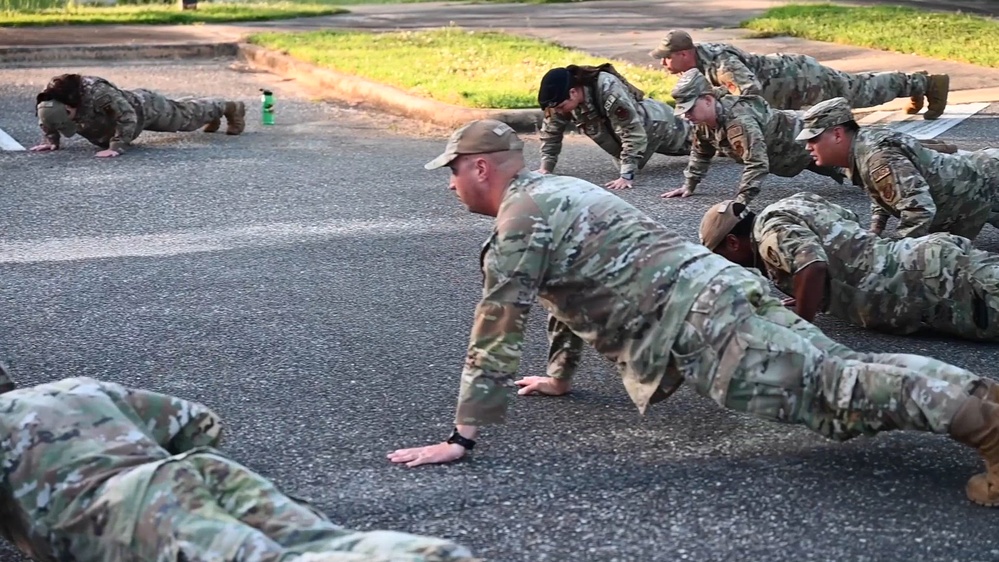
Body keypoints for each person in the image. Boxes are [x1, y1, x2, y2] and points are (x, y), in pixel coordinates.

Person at [387, 118, 999, 507]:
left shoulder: (518, 225)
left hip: (704, 326)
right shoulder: (560, 191)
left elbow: (496, 327)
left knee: (833, 394)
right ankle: (981, 399)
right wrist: (559, 376)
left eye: (452, 171)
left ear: (481, 167)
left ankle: (985, 424)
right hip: (726, 291)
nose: (449, 184)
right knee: (841, 370)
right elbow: (563, 294)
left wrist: (461, 438)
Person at [0, 363, 479, 562]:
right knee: (322, 541)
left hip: (129, 516)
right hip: (200, 471)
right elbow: (200, 423)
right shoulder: (74, 388)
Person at [698, 191, 999, 341]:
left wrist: (801, 324)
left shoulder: (768, 235)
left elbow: (812, 266)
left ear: (733, 242)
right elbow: (846, 225)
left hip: (933, 284)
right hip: (929, 260)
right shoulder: (791, 204)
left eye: (719, 254)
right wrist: (809, 293)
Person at [796, 96, 999, 240]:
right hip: (975, 195)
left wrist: (897, 254)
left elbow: (919, 210)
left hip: (989, 183)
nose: (808, 147)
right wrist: (875, 230)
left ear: (837, 134)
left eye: (813, 139)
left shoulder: (878, 158)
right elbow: (884, 191)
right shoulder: (861, 148)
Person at [649, 29, 950, 119]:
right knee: (861, 87)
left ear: (684, 54)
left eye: (667, 58)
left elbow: (749, 94)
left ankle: (927, 83)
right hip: (792, 82)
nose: (664, 64)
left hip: (803, 81)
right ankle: (916, 83)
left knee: (862, 91)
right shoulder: (701, 59)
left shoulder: (721, 64)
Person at [660, 68, 845, 205]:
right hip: (790, 154)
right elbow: (701, 152)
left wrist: (740, 203)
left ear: (708, 100)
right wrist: (689, 185)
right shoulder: (704, 122)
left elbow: (757, 163)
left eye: (690, 108)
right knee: (846, 170)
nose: (686, 115)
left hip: (808, 138)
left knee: (852, 166)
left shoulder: (738, 121)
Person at [536, 64, 692, 190]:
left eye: (561, 107)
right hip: (632, 133)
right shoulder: (560, 102)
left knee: (698, 144)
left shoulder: (607, 88)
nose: (558, 112)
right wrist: (546, 167)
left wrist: (627, 175)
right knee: (627, 161)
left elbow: (632, 131)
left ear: (573, 92)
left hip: (659, 125)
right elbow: (551, 132)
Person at [29, 73, 246, 158]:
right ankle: (209, 113)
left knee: (186, 119)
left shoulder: (98, 93)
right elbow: (48, 118)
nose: (71, 122)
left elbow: (127, 117)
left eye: (70, 116)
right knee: (185, 110)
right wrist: (50, 141)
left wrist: (116, 146)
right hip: (112, 116)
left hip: (144, 108)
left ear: (70, 105)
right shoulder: (51, 99)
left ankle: (228, 107)